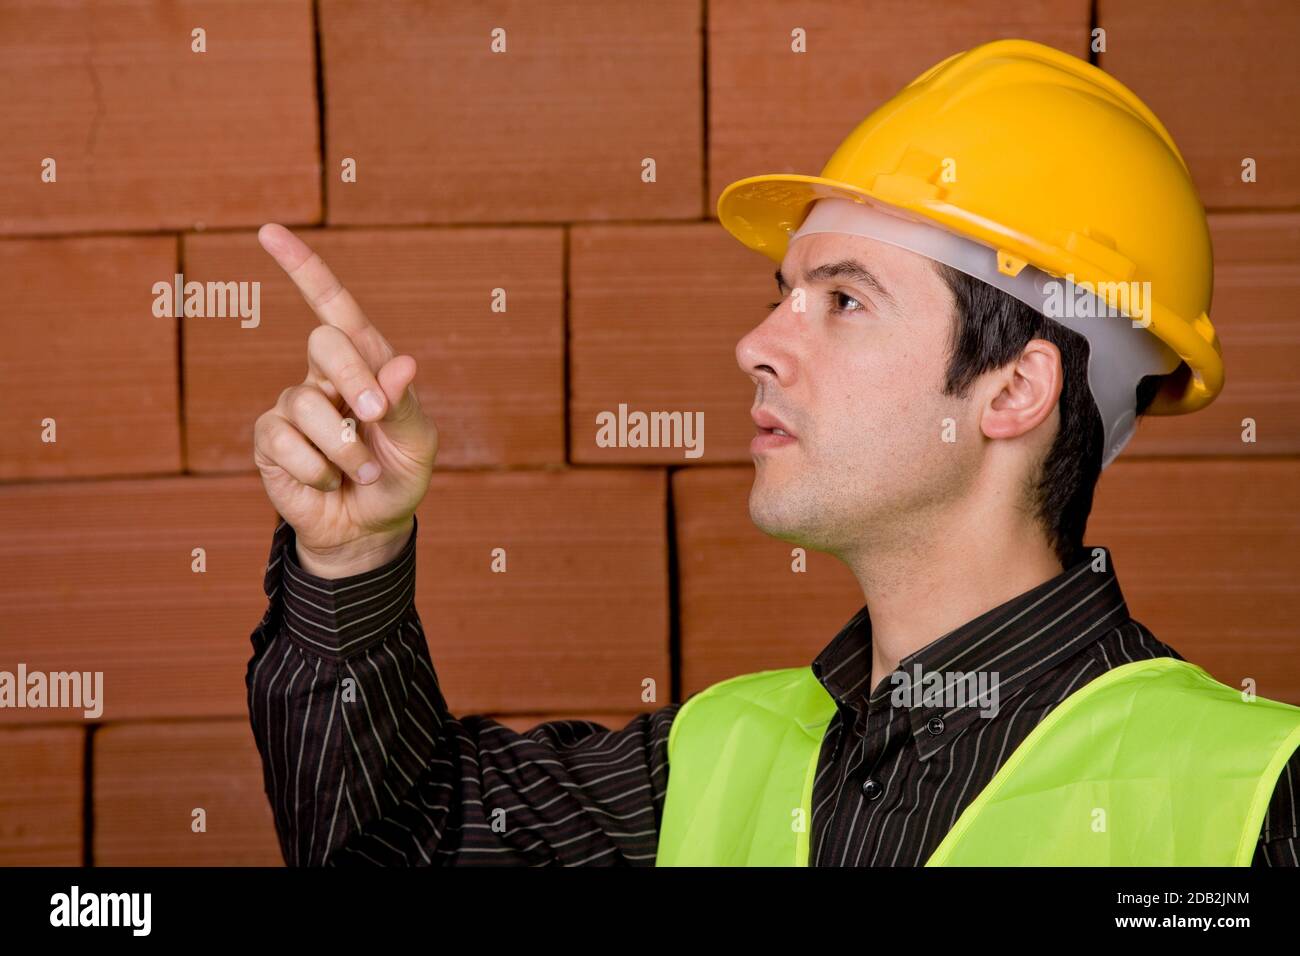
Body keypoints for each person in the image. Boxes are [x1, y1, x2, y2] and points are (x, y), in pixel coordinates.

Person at [245, 38, 1300, 866]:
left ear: (1013, 389)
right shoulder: (714, 759)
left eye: (843, 299)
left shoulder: (1254, 794)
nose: (755, 345)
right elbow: (392, 846)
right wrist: (350, 558)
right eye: (779, 297)